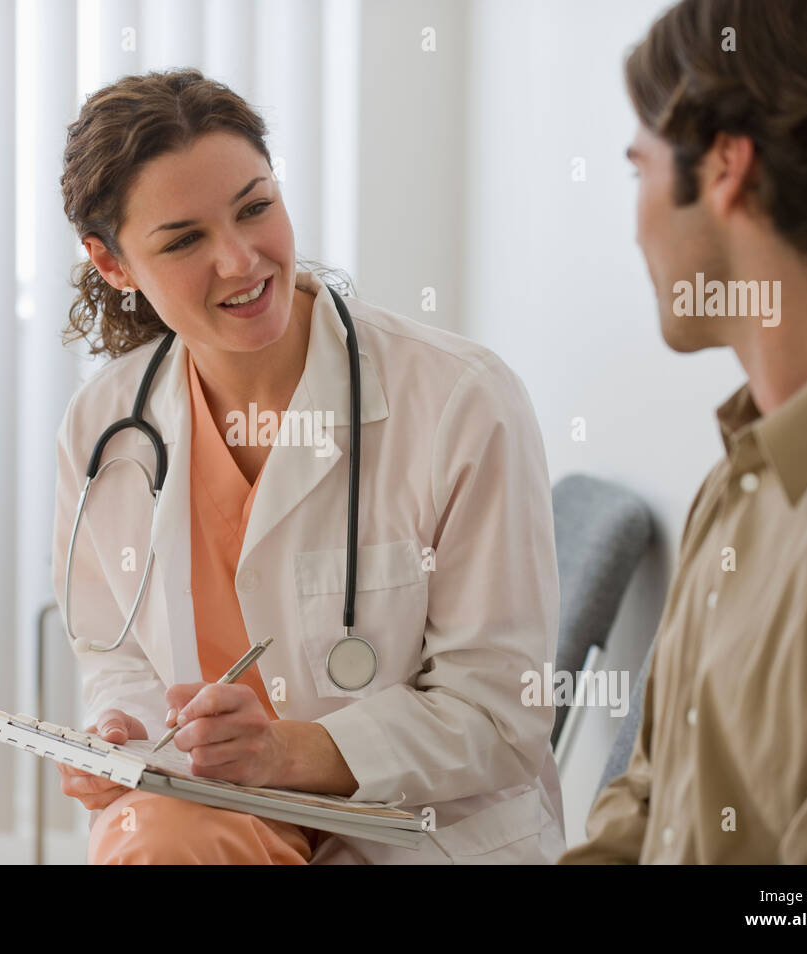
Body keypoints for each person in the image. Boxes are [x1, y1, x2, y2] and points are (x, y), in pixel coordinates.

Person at [51, 68, 564, 864]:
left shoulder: (461, 401)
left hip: (421, 826)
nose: (240, 260)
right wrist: (124, 732)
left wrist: (287, 753)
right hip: (212, 820)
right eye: (184, 240)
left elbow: (503, 716)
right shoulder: (102, 426)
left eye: (256, 207)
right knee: (158, 840)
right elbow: (115, 654)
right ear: (113, 264)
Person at [561, 0, 807, 863]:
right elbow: (648, 800)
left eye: (637, 170)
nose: (637, 220)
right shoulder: (748, 470)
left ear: (726, 167)